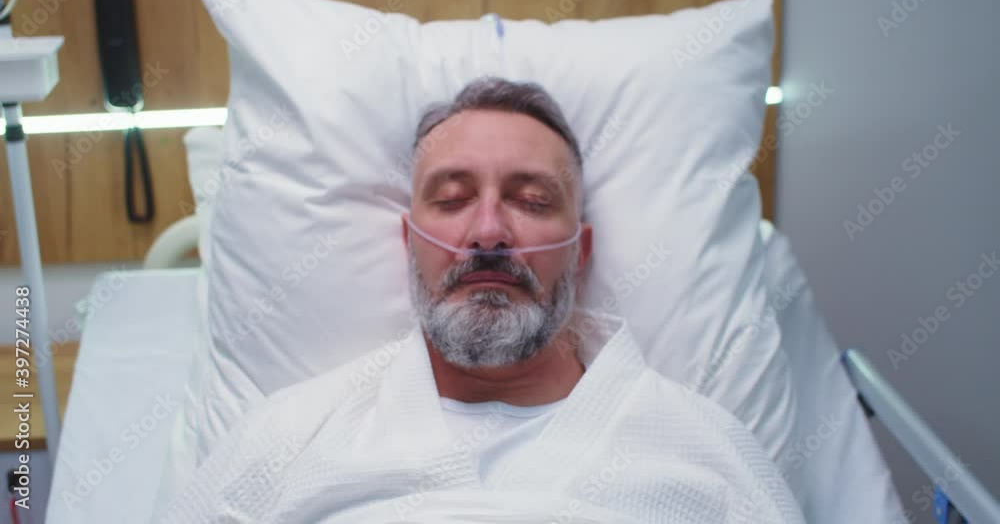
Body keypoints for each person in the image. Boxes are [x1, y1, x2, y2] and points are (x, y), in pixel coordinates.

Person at [156, 77, 804, 523]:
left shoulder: (708, 455)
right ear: (409, 243)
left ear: (579, 251)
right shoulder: (287, 442)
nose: (489, 231)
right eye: (452, 196)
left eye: (531, 199)